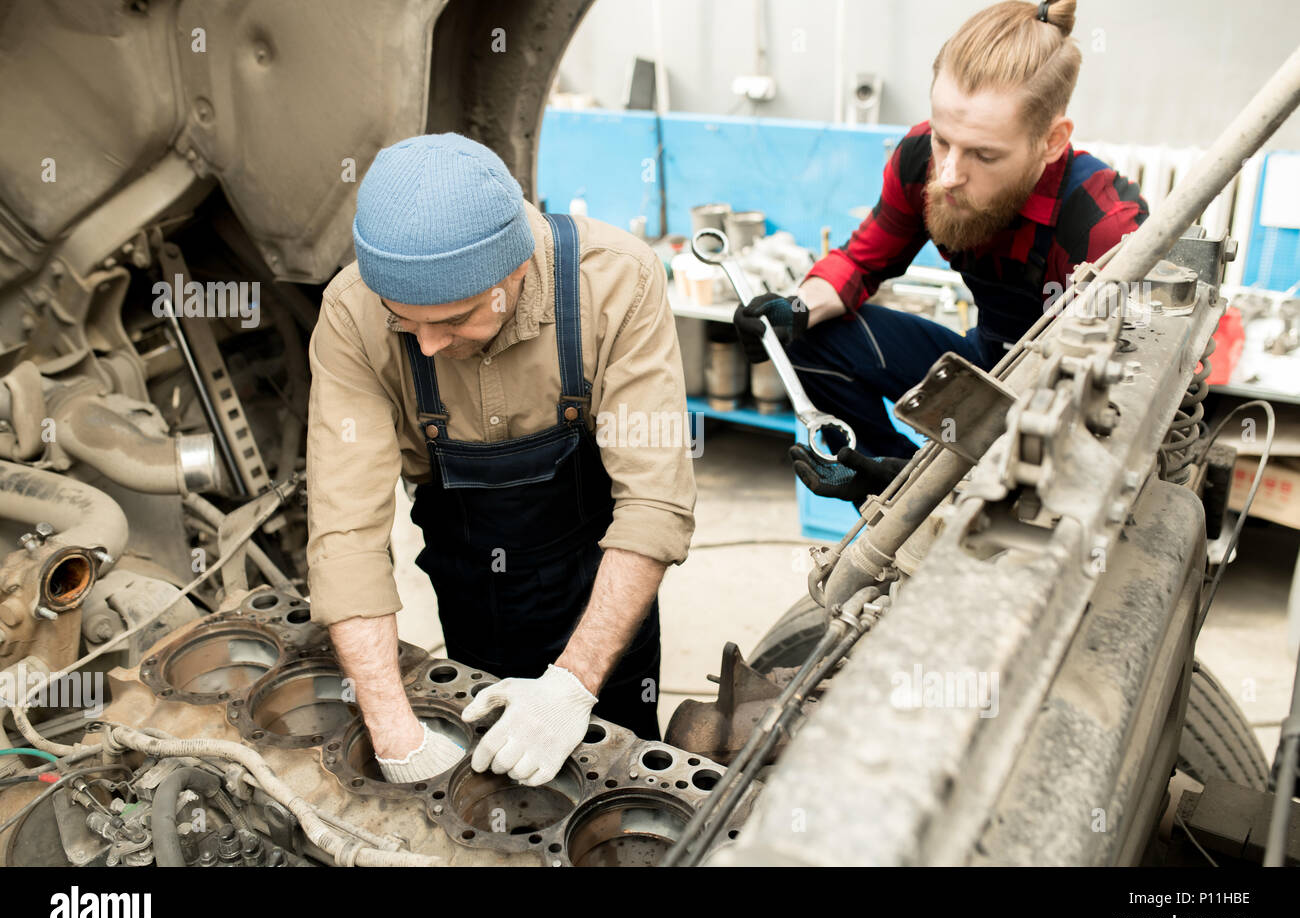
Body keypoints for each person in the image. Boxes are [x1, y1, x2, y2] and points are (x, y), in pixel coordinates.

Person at [306, 133, 696, 787]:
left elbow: (654, 505)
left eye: (452, 320)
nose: (426, 347)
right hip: (473, 597)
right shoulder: (352, 316)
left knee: (621, 791)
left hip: (599, 589)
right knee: (494, 791)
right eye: (407, 323)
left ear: (512, 273)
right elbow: (345, 539)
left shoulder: (615, 281)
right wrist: (396, 736)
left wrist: (571, 688)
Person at [733, 0, 1147, 505]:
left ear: (1052, 141)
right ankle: (896, 489)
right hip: (985, 367)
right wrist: (796, 309)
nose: (949, 174)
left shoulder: (1102, 225)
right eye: (943, 140)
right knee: (808, 339)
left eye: (984, 154)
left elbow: (1125, 407)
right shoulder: (918, 159)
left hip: (1064, 411)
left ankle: (935, 497)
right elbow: (861, 261)